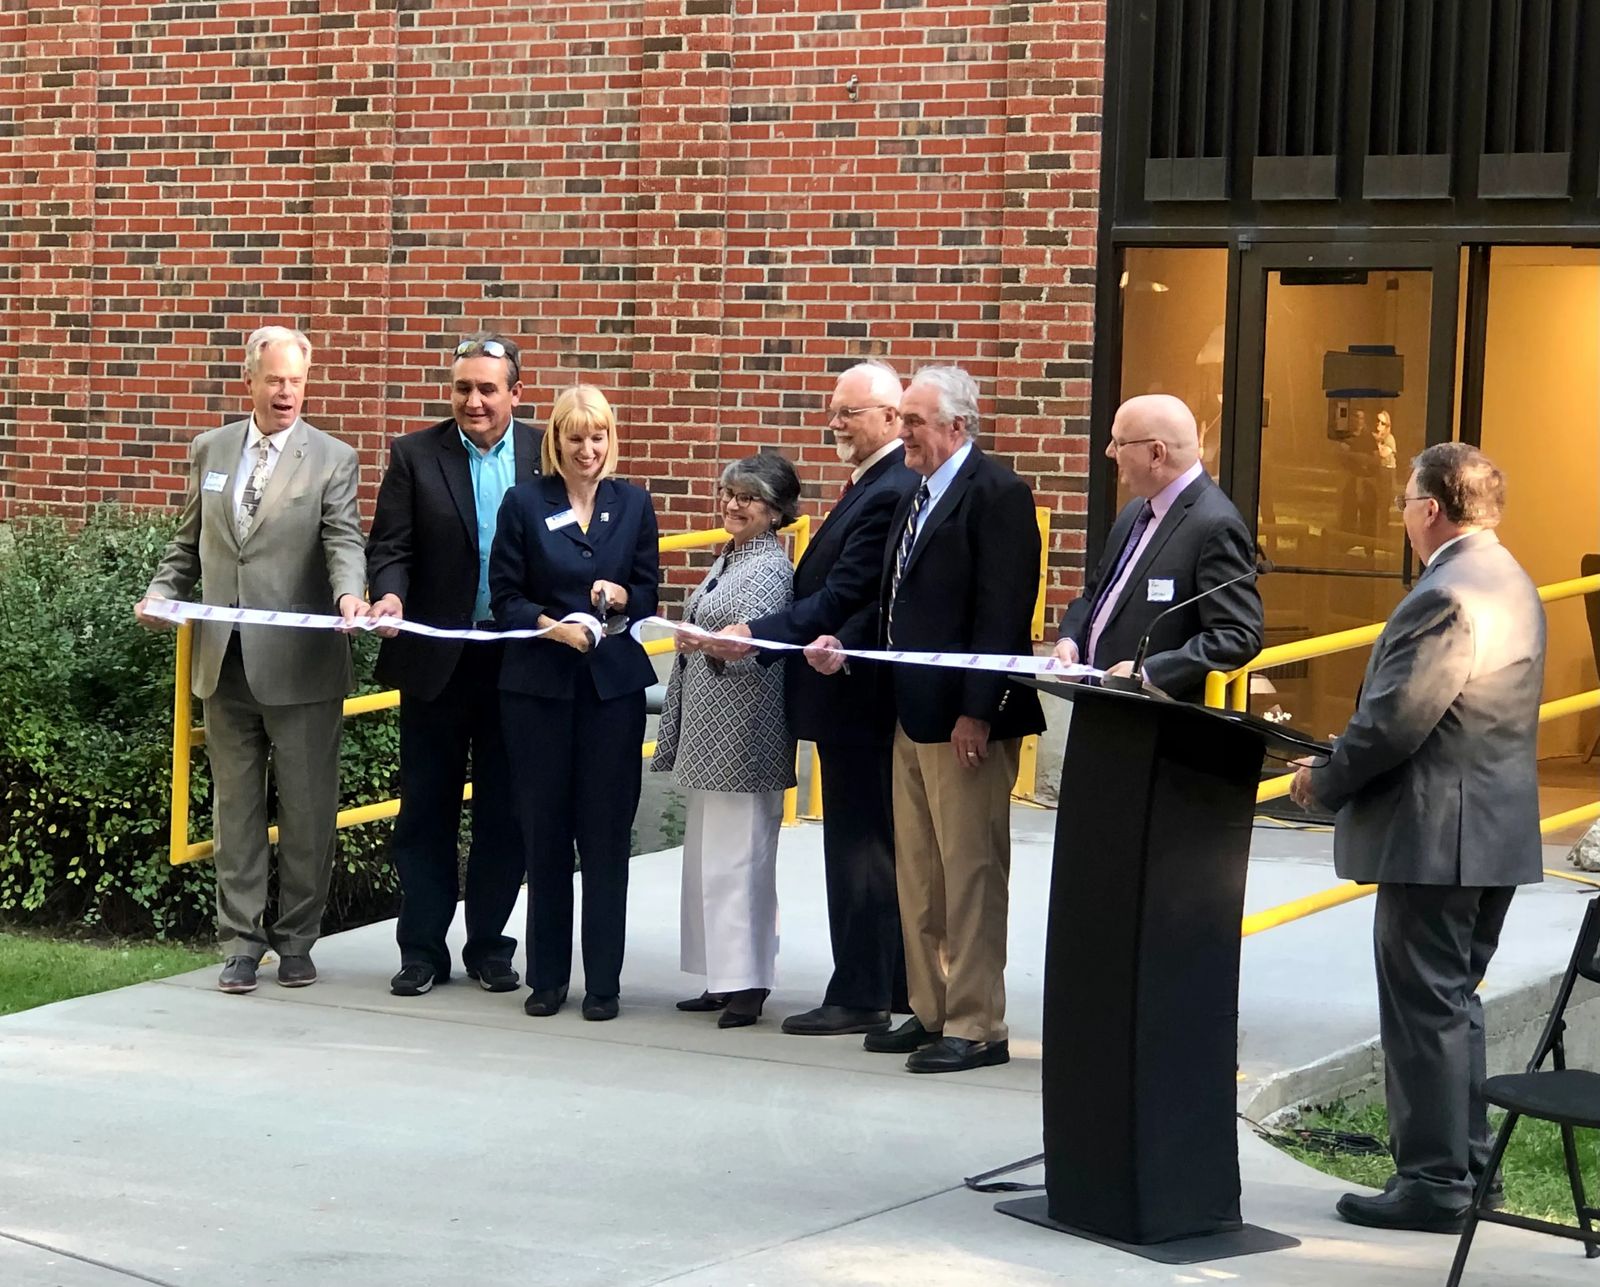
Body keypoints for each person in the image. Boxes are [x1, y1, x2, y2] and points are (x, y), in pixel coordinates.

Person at [1290, 443, 1546, 1233]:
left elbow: (1399, 718)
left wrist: (1322, 783)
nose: (1402, 513)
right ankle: (1465, 1169)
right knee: (1451, 1003)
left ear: (1431, 507)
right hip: (1491, 830)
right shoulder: (1511, 577)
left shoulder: (1447, 593)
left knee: (1425, 1008)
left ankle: (1434, 1182)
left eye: (1406, 500)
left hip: (1439, 834)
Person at [811, 365, 1044, 1074]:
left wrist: (979, 710)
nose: (903, 433)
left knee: (969, 873)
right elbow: (895, 602)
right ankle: (932, 1006)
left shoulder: (997, 495)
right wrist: (847, 647)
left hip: (964, 722)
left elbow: (1002, 614)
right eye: (903, 419)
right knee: (919, 872)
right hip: (907, 714)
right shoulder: (914, 493)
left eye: (914, 422)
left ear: (956, 427)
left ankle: (977, 1023)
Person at [135, 325, 367, 993]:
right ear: (251, 381)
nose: (287, 390)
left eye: (296, 379)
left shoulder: (332, 458)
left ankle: (297, 939)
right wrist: (160, 593)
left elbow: (342, 539)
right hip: (222, 661)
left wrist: (350, 595)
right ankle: (240, 942)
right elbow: (187, 545)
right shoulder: (211, 449)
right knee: (233, 809)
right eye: (275, 379)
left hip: (300, 666)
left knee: (307, 808)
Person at [708, 362, 918, 1037]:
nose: (834, 423)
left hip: (856, 698)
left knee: (860, 848)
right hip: (842, 693)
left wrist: (755, 634)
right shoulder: (871, 486)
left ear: (889, 416)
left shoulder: (889, 488)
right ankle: (891, 982)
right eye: (833, 411)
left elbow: (845, 594)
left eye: (846, 412)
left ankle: (862, 991)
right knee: (867, 845)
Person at [365, 333, 541, 998]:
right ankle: (421, 951)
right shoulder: (415, 454)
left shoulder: (540, 454)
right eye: (464, 388)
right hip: (436, 660)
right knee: (425, 813)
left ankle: (491, 947)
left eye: (488, 389)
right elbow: (392, 545)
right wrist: (389, 593)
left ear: (515, 395)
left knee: (506, 813)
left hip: (517, 661)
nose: (474, 401)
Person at [489, 384, 659, 1022]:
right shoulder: (524, 503)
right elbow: (504, 595)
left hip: (609, 692)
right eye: (575, 437)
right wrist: (546, 623)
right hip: (538, 688)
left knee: (606, 835)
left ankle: (606, 983)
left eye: (599, 437)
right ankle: (548, 978)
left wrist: (621, 596)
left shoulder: (634, 504)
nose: (587, 450)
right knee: (546, 836)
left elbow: (647, 593)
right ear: (554, 442)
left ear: (611, 441)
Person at [654, 453, 800, 1029]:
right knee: (709, 856)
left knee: (742, 856)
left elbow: (752, 646)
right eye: (729, 493)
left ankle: (748, 982)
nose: (733, 505)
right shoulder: (732, 557)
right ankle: (722, 974)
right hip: (712, 725)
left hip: (745, 730)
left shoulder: (769, 568)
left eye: (748, 496)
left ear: (776, 509)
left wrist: (702, 640)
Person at [1053, 393, 1263, 699]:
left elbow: (1238, 635)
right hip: (1102, 710)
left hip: (1159, 727)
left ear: (1156, 454)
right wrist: (1070, 639)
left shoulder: (1216, 524)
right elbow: (1094, 595)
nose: (1109, 452)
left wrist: (1148, 673)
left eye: (1119, 442)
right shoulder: (1135, 510)